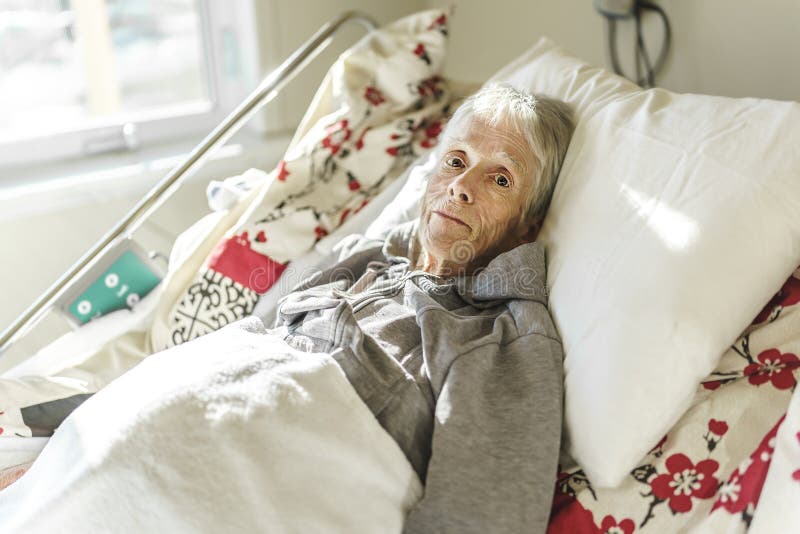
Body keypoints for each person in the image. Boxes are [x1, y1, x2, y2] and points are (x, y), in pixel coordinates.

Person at [254, 83, 575, 533]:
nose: (461, 186)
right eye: (456, 161)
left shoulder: (498, 338)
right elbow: (260, 335)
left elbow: (480, 521)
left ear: (527, 228)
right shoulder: (364, 257)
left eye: (500, 178)